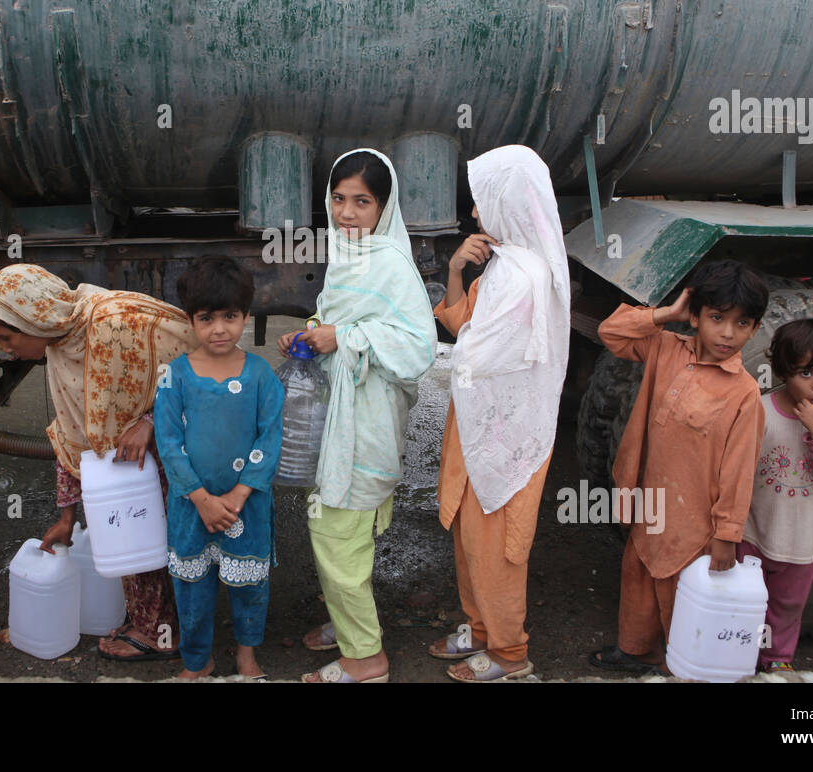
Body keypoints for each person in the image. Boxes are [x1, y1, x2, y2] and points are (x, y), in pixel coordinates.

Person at [0, 264, 196, 662]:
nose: (4, 348)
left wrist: (148, 421)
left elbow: (201, 365)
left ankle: (165, 634)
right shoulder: (63, 342)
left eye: (6, 337)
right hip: (134, 465)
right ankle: (153, 622)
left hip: (178, 444)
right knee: (129, 529)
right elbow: (74, 436)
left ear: (33, 319)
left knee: (149, 533)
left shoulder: (117, 323)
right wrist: (66, 517)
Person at [277, 148, 436, 683]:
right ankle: (346, 623)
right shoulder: (348, 254)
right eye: (339, 199)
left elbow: (418, 349)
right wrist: (315, 329)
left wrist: (340, 336)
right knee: (342, 532)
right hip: (338, 414)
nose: (346, 212)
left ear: (384, 207)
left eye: (361, 202)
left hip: (362, 425)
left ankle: (365, 658)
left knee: (338, 535)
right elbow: (345, 315)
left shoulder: (389, 263)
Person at [427, 145, 569, 681]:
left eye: (486, 202)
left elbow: (473, 353)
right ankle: (479, 629)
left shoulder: (523, 275)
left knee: (498, 548)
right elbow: (464, 326)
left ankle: (510, 654)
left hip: (508, 434)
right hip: (482, 424)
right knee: (471, 536)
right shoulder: (506, 264)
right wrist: (457, 270)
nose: (477, 214)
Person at [590, 259, 768, 673]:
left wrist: (727, 533)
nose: (727, 333)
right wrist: (667, 314)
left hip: (695, 520)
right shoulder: (666, 347)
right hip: (649, 500)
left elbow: (740, 471)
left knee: (682, 590)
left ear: (756, 329)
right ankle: (636, 651)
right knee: (638, 573)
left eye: (742, 324)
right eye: (717, 318)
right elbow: (609, 332)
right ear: (696, 315)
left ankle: (683, 663)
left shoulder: (744, 394)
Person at [154, 256, 285, 680]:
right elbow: (169, 444)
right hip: (192, 507)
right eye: (207, 318)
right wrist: (202, 499)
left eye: (230, 316)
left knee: (250, 586)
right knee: (192, 591)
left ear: (246, 316)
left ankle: (247, 658)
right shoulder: (175, 376)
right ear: (191, 321)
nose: (219, 329)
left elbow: (269, 439)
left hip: (245, 506)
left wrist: (237, 495)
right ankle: (198, 661)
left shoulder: (261, 375)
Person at [740, 319, 813, 672]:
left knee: (787, 608)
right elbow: (737, 468)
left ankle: (776, 661)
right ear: (782, 370)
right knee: (747, 603)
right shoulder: (760, 410)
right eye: (807, 373)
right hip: (752, 534)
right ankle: (740, 658)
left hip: (801, 543)